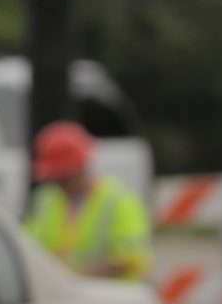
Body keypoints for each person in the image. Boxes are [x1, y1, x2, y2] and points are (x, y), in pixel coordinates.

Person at [24, 120, 154, 281]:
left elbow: (131, 259)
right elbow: (31, 247)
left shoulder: (120, 201)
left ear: (80, 167)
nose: (59, 184)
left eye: (63, 177)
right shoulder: (46, 199)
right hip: (69, 296)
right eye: (55, 178)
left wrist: (74, 277)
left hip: (113, 297)